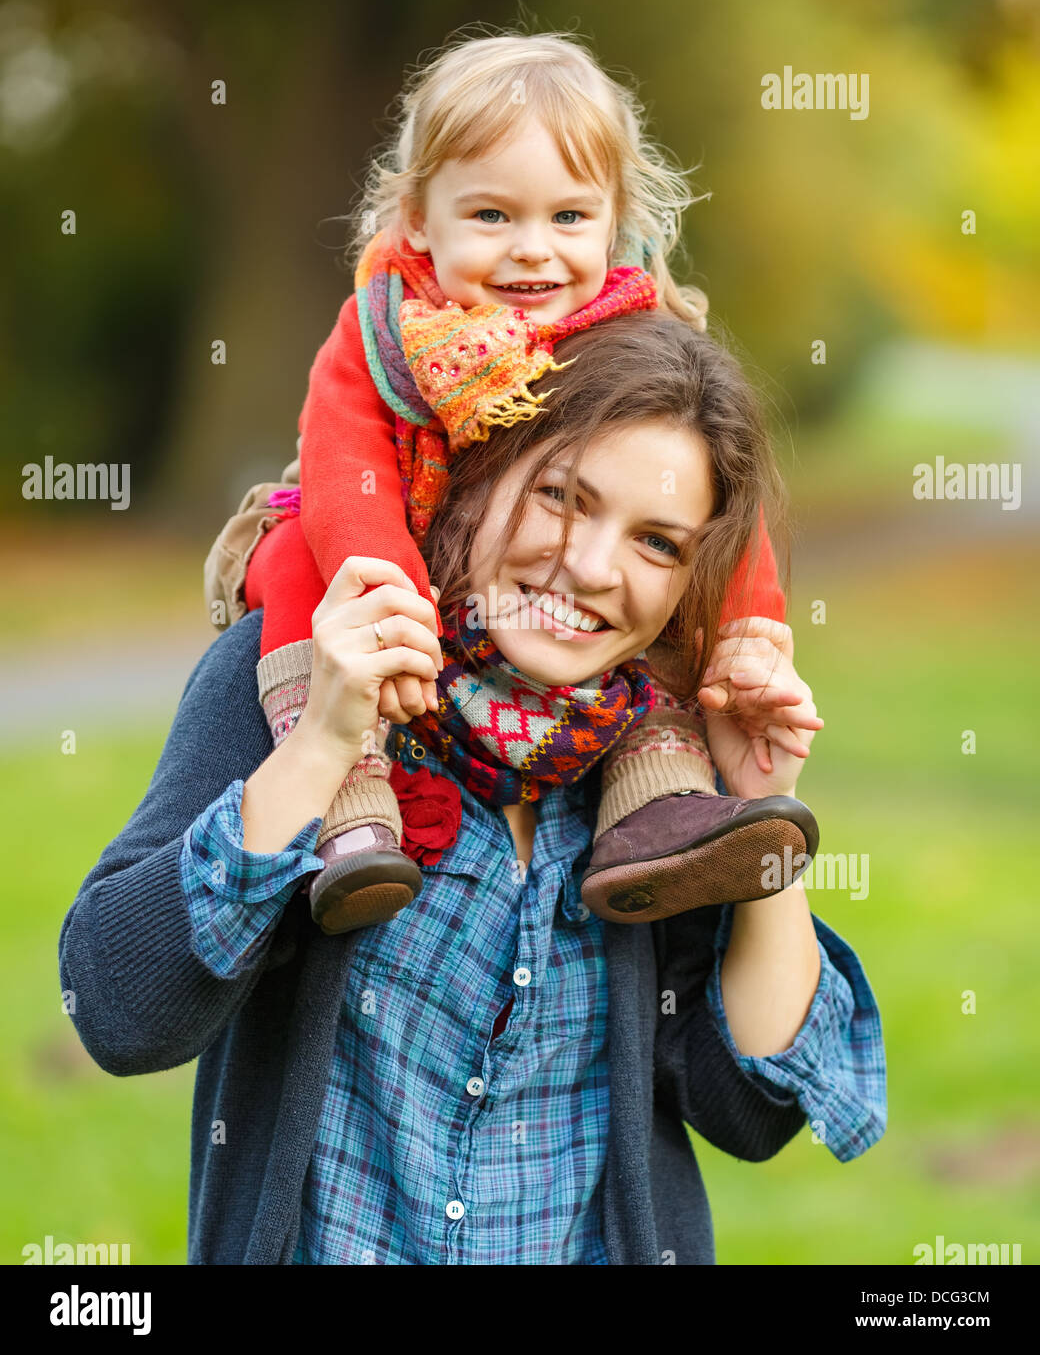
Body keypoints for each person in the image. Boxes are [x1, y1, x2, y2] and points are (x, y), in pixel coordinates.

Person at [61, 312, 886, 1265]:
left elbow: (746, 1111)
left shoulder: (664, 776)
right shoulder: (297, 674)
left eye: (657, 543)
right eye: (561, 496)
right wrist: (322, 744)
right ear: (475, 476)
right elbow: (118, 1013)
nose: (588, 567)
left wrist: (761, 824)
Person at [204, 28, 818, 934]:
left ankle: (659, 802)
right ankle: (349, 789)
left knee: (647, 592)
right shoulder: (387, 330)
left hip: (521, 596)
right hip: (375, 542)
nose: (534, 252)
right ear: (418, 218)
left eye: (568, 218)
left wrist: (751, 631)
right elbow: (347, 470)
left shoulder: (628, 338)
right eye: (493, 217)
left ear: (614, 222)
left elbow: (715, 501)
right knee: (297, 553)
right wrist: (391, 603)